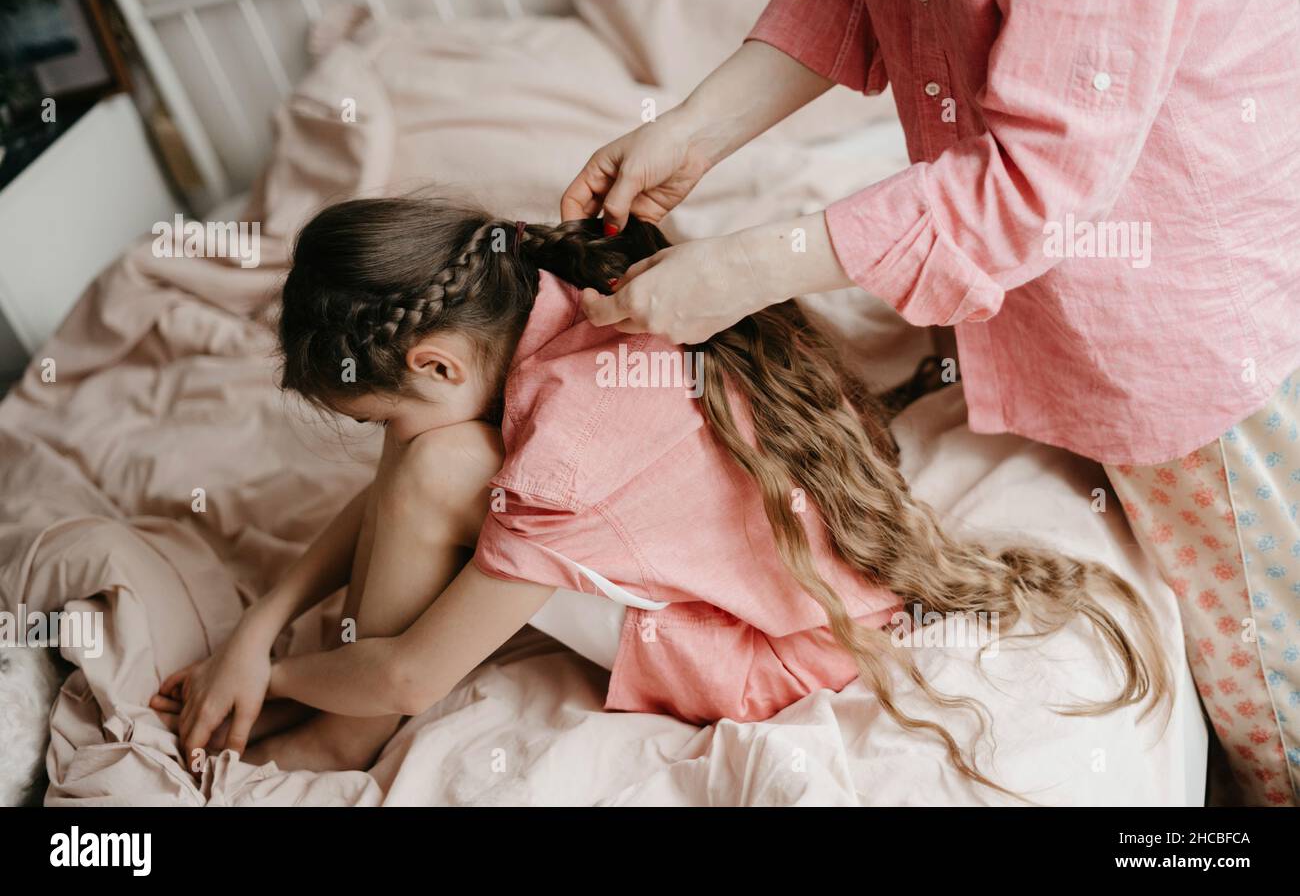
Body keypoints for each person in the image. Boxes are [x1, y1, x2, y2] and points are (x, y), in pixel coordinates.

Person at [561, 0, 1300, 806]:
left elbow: (1031, 179)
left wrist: (741, 272)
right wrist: (692, 131)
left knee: (1267, 697)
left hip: (1192, 301)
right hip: (1054, 284)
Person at [151, 195, 1167, 796]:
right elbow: (408, 479)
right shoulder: (546, 286)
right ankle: (333, 665)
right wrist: (265, 627)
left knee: (435, 465)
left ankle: (339, 724)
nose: (382, 446)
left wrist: (279, 680)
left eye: (373, 415)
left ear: (437, 363)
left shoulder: (564, 442)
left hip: (764, 653)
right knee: (434, 459)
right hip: (783, 564)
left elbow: (414, 676)